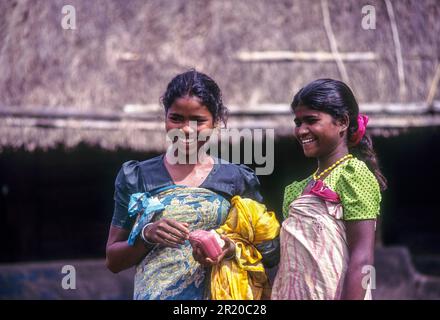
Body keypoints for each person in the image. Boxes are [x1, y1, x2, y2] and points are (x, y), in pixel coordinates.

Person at [105, 69, 278, 300]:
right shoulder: (137, 176)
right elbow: (113, 260)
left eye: (198, 120)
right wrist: (148, 235)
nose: (186, 129)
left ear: (216, 122)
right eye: (176, 118)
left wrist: (227, 248)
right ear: (165, 117)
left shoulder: (236, 179)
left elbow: (270, 252)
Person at [271, 79, 387, 300]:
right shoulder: (296, 190)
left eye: (311, 120)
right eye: (298, 122)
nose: (301, 130)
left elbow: (362, 258)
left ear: (342, 122)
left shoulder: (353, 176)